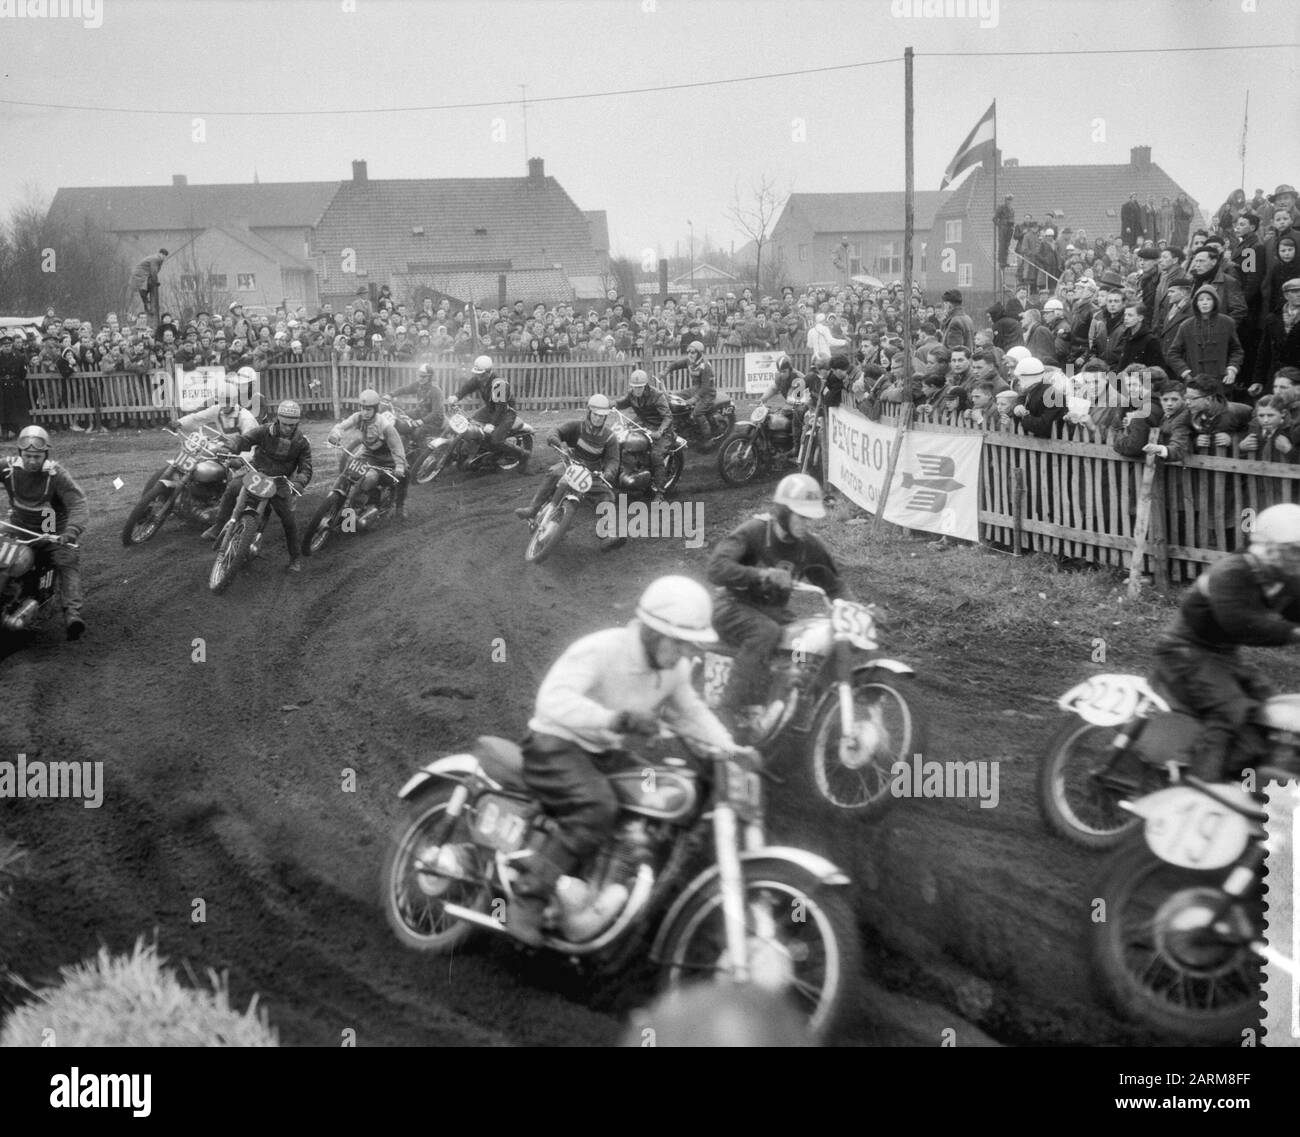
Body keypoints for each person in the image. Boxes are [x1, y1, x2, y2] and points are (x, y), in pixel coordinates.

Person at [509, 575, 738, 944]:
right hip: (554, 743)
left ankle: (615, 879)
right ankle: (528, 899)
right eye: (677, 642)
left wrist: (732, 750)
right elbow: (552, 700)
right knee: (597, 805)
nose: (683, 652)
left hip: (604, 752)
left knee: (658, 789)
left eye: (687, 644)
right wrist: (616, 719)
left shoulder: (674, 669)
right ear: (652, 630)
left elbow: (692, 713)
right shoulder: (601, 649)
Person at [1150, 502, 1300, 782]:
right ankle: (1199, 787)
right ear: (1268, 547)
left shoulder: (1284, 578)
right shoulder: (1231, 572)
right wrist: (1292, 633)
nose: (1298, 559)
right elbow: (1242, 623)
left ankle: (1246, 779)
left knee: (1273, 708)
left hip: (1222, 656)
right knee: (1230, 709)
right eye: (1293, 551)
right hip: (1184, 650)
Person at [707, 473, 848, 741]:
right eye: (800, 516)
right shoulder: (754, 531)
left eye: (809, 518)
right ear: (783, 511)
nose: (804, 524)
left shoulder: (809, 547)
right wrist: (761, 575)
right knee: (766, 632)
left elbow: (835, 586)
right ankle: (727, 709)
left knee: (806, 644)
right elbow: (716, 568)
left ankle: (787, 706)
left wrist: (858, 611)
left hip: (772, 613)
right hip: (731, 606)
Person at [201, 400, 312, 572]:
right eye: (284, 424)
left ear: (297, 423)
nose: (288, 428)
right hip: (256, 472)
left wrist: (299, 481)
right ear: (278, 419)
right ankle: (218, 526)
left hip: (279, 481)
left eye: (292, 425)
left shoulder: (302, 442)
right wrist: (229, 447)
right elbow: (244, 440)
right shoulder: (264, 430)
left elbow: (306, 467)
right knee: (231, 489)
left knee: (289, 521)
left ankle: (295, 558)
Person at [0, 426, 89, 639]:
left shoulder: (56, 475)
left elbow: (78, 503)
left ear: (45, 454)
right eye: (28, 455)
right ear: (20, 453)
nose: (32, 460)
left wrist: (71, 531)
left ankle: (72, 612)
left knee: (66, 560)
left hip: (51, 533)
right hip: (18, 528)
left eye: (37, 456)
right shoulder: (8, 468)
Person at [514, 394, 622, 544]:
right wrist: (556, 442)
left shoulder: (610, 437)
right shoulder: (577, 426)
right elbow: (555, 431)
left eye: (602, 416)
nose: (598, 418)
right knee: (553, 472)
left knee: (608, 495)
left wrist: (609, 472)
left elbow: (613, 460)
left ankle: (607, 535)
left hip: (592, 474)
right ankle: (532, 509)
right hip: (570, 464)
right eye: (595, 414)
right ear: (589, 412)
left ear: (606, 417)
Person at [327, 389, 408, 521]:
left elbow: (397, 446)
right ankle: (332, 498)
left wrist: (399, 465)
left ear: (375, 409)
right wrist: (335, 433)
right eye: (363, 408)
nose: (365, 412)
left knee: (401, 474)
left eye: (369, 409)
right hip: (368, 453)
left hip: (387, 458)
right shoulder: (358, 417)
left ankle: (399, 506)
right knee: (348, 472)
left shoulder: (385, 425)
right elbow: (342, 426)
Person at [451, 354, 529, 468]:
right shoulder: (479, 378)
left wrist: (492, 424)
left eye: (481, 375)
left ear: (489, 372)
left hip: (506, 412)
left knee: (496, 440)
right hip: (491, 408)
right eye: (476, 374)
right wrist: (457, 396)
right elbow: (468, 387)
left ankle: (523, 454)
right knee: (470, 425)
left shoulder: (498, 384)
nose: (478, 377)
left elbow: (501, 408)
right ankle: (478, 452)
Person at [612, 369, 673, 501]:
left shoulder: (657, 395)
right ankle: (623, 472)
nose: (637, 390)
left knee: (656, 456)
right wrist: (611, 404)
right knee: (620, 439)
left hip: (661, 428)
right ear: (631, 386)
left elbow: (668, 417)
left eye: (640, 387)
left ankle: (659, 493)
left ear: (645, 386)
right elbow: (622, 402)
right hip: (643, 424)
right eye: (635, 387)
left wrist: (660, 432)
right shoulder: (632, 394)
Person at [660, 341, 717, 436]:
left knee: (697, 414)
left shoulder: (705, 366)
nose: (690, 354)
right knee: (673, 398)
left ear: (699, 353)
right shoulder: (689, 361)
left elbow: (705, 387)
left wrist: (694, 399)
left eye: (693, 352)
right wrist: (665, 371)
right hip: (696, 388)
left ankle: (708, 438)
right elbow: (675, 364)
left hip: (708, 393)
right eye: (688, 352)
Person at [130, 249, 168, 316]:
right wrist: (155, 281)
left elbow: (154, 271)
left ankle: (147, 304)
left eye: (165, 256)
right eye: (164, 256)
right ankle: (147, 304)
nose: (164, 258)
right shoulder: (156, 259)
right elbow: (153, 271)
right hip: (140, 274)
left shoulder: (158, 260)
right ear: (160, 254)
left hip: (144, 274)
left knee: (146, 288)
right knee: (145, 287)